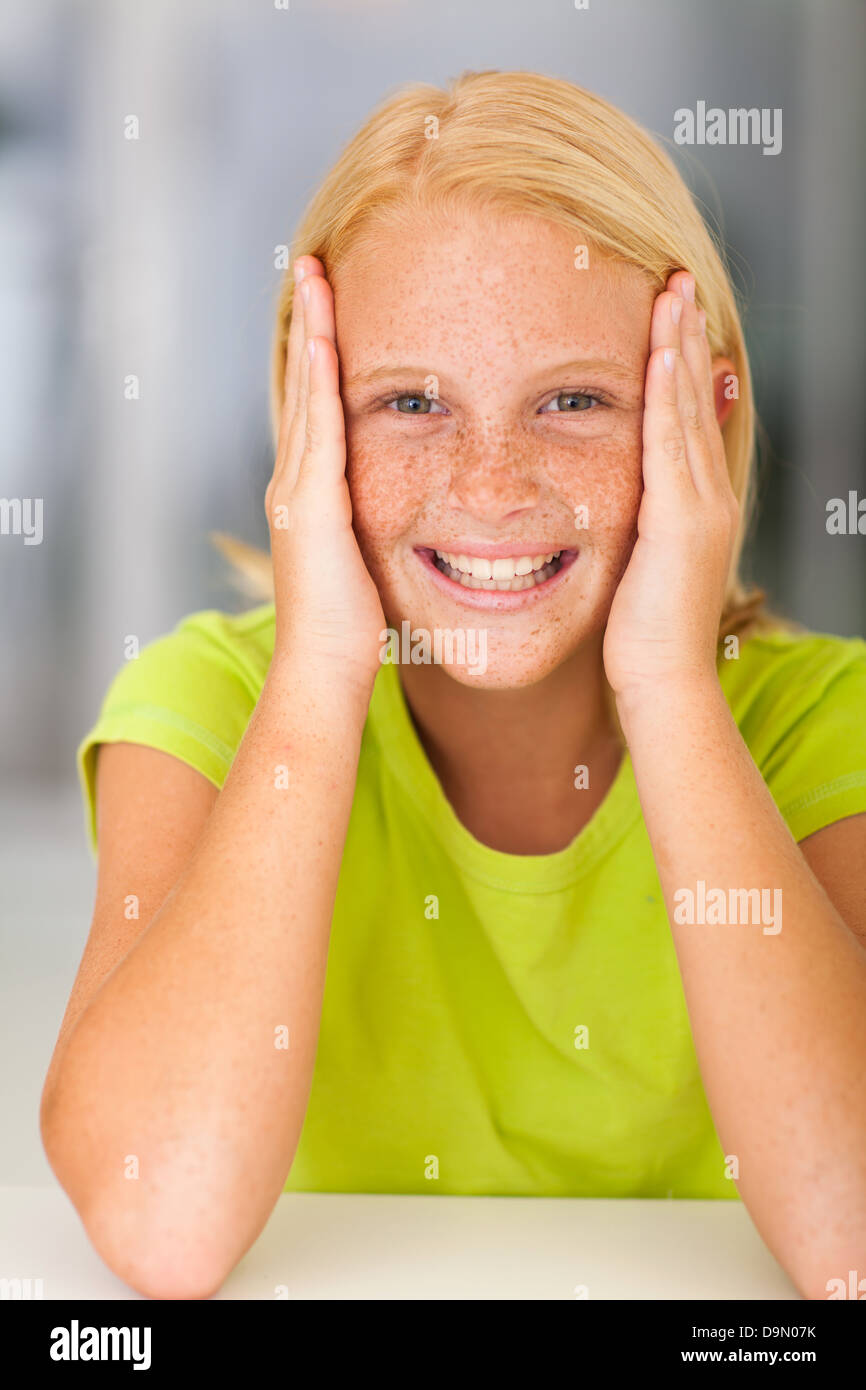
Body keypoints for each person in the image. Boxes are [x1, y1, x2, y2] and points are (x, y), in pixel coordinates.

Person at [40, 70, 866, 1301]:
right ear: (311, 419)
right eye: (411, 402)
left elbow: (853, 1237)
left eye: (572, 400)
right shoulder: (205, 706)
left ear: (698, 412)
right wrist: (321, 665)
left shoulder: (820, 724)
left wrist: (669, 685)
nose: (488, 484)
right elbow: (163, 1219)